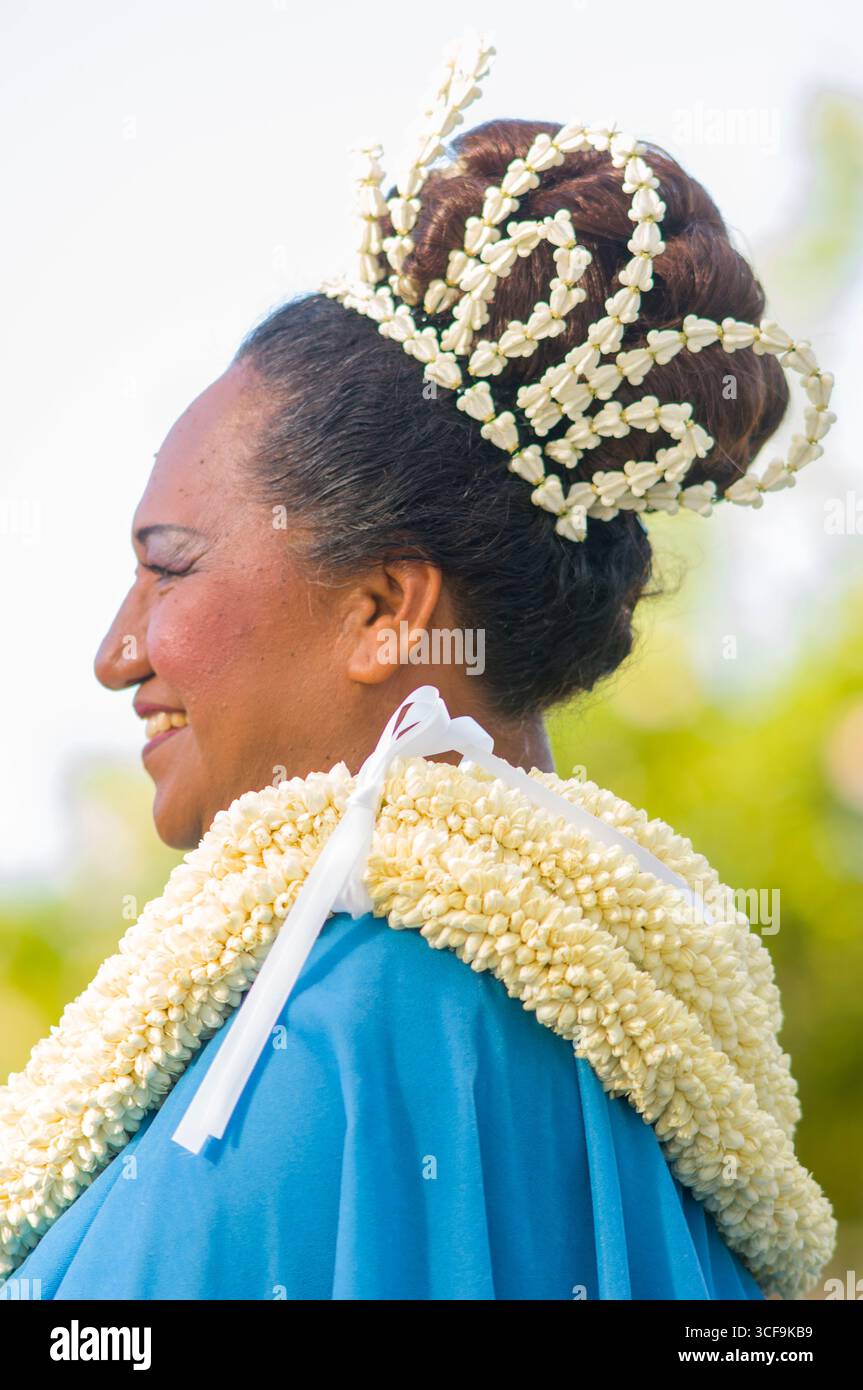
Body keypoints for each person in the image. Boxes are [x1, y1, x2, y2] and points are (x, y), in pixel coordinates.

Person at [1, 34, 835, 1301]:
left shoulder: (363, 1022)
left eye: (168, 568)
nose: (118, 653)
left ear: (387, 607)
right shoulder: (639, 1070)